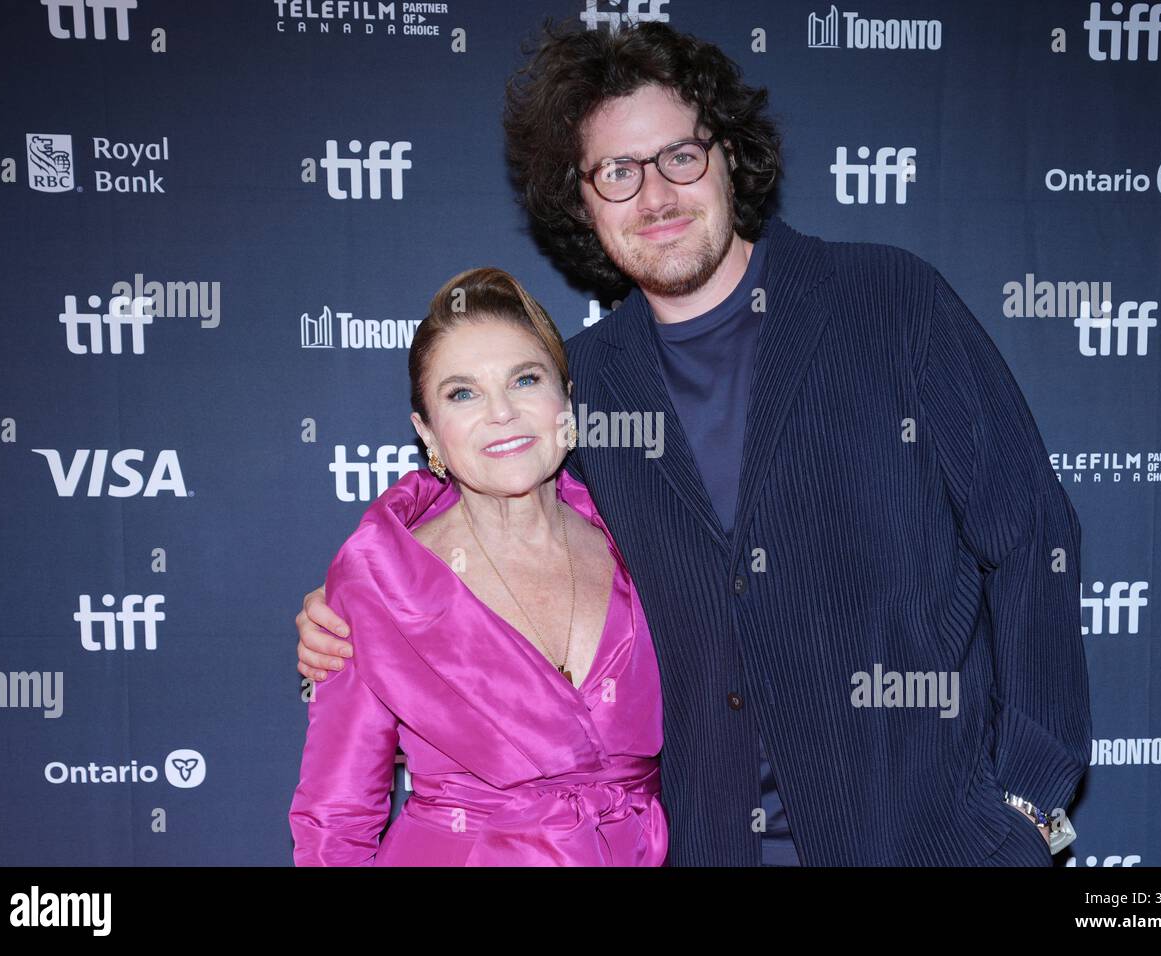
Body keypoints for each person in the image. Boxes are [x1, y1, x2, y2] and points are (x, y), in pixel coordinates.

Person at [296, 20, 1091, 866]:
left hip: (927, 845)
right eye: (618, 172)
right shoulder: (585, 385)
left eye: (680, 155)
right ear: (582, 200)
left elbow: (1030, 536)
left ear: (729, 157)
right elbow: (493, 505)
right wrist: (348, 598)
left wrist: (1030, 802)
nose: (656, 196)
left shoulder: (890, 305)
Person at [288, 267, 668, 866]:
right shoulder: (380, 581)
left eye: (525, 379)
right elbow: (336, 821)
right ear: (427, 432)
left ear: (564, 402)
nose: (501, 413)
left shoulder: (644, 540)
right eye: (462, 392)